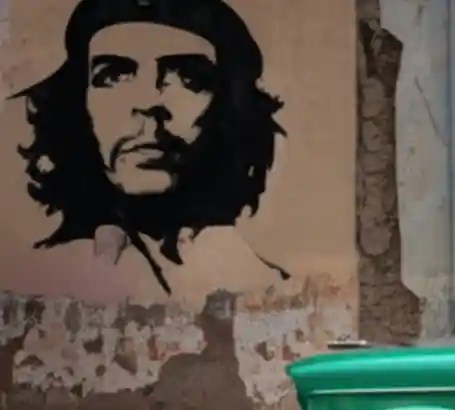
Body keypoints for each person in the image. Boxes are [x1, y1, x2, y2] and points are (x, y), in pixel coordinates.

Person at [10, 0, 289, 296]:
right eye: (112, 76)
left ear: (229, 110)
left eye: (190, 78)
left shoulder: (263, 285)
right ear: (76, 107)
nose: (148, 102)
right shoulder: (34, 285)